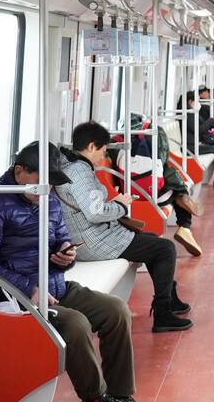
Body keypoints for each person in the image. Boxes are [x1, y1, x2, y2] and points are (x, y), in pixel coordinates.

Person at [0, 142, 147, 402]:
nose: (45, 189)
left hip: (54, 287)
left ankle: (120, 396)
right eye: (40, 180)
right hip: (14, 296)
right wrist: (28, 288)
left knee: (115, 309)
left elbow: (60, 241)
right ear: (20, 171)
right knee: (75, 324)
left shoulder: (49, 199)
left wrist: (65, 257)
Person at [57, 121, 193, 332]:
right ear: (91, 146)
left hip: (91, 237)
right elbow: (96, 212)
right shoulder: (80, 173)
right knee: (165, 249)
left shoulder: (72, 167)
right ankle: (163, 313)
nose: (103, 156)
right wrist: (121, 205)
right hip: (94, 242)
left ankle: (169, 299)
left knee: (152, 243)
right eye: (102, 150)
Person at [125, 112, 203, 257]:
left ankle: (184, 225)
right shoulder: (154, 134)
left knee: (173, 188)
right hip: (151, 194)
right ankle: (185, 227)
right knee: (177, 191)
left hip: (129, 191)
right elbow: (163, 160)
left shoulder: (117, 142)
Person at [184, 90, 214, 187]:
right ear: (190, 102)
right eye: (195, 101)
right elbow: (199, 130)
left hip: (197, 141)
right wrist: (210, 121)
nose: (197, 103)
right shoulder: (188, 115)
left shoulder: (193, 114)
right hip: (191, 145)